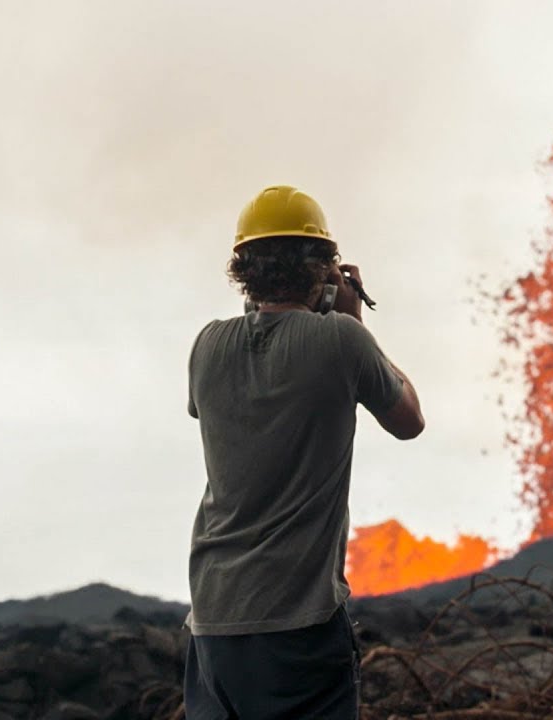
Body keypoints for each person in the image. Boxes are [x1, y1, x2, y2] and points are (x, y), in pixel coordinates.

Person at [181, 185, 424, 719]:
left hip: (213, 623)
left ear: (243, 269)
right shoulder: (341, 340)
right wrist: (353, 316)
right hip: (298, 623)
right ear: (322, 268)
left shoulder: (205, 347)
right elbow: (409, 421)